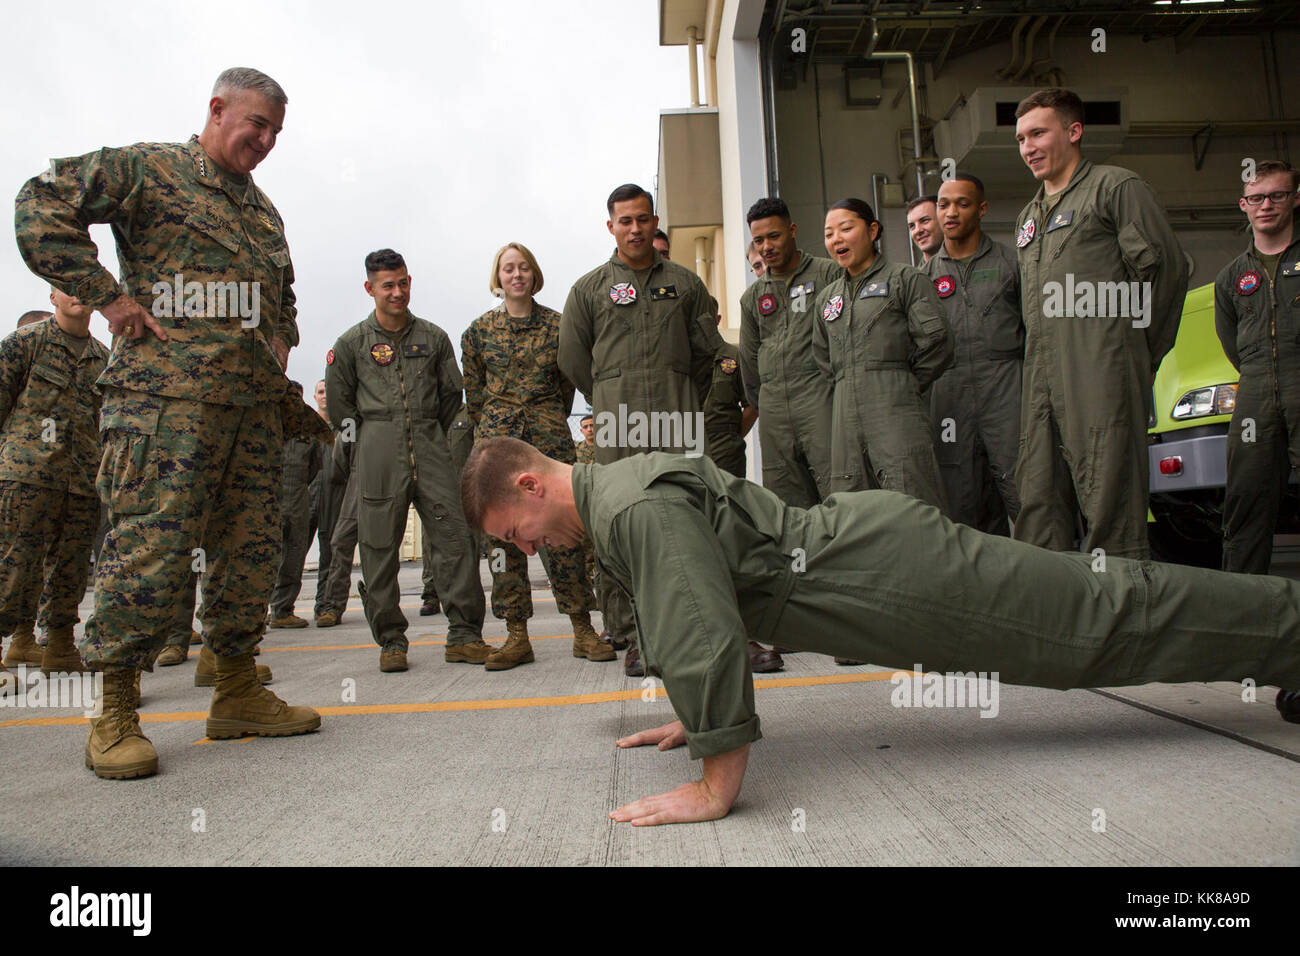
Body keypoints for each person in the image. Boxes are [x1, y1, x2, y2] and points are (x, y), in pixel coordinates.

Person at [462, 436, 1300, 826]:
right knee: (1093, 614)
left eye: (514, 534)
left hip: (884, 577)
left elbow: (701, 631)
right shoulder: (616, 496)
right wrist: (695, 714)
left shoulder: (628, 509)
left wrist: (716, 785)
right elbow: (698, 600)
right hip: (869, 563)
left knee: (1096, 620)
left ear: (530, 486)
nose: (527, 550)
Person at [14, 67, 325, 779]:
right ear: (217, 109)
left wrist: (282, 335)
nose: (267, 140)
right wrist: (107, 296)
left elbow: (283, 289)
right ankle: (115, 712)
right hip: (164, 405)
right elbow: (40, 202)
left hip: (251, 410)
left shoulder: (263, 210)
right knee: (148, 552)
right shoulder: (149, 170)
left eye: (277, 131)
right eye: (257, 124)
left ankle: (237, 689)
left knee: (250, 552)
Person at [1013, 87, 1187, 560]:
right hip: (1042, 376)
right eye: (1021, 139)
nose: (1028, 147)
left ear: (1073, 131)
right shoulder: (1029, 215)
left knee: (1111, 501)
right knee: (1038, 500)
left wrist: (1133, 351)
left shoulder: (1115, 188)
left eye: (1038, 133)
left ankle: (1123, 599)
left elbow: (1166, 271)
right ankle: (1046, 599)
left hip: (1102, 369)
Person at [557, 183, 723, 677]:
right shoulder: (589, 289)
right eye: (625, 221)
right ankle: (632, 636)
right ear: (610, 226)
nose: (635, 229)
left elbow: (706, 353)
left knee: (692, 513)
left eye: (643, 219)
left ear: (655, 222)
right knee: (619, 521)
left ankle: (699, 627)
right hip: (617, 421)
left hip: (678, 415)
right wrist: (611, 393)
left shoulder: (687, 285)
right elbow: (573, 358)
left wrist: (678, 389)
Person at [325, 248, 489, 672]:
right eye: (387, 286)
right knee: (378, 547)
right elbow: (342, 409)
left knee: (454, 540)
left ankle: (465, 635)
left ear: (410, 282)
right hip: (377, 447)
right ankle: (391, 641)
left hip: (431, 444)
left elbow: (451, 397)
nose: (397, 292)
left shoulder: (434, 338)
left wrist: (432, 435)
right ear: (369, 288)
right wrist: (367, 447)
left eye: (402, 283)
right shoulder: (350, 345)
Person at [461, 243, 608, 670]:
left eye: (523, 267)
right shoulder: (478, 332)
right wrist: (495, 425)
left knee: (566, 531)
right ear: (498, 277)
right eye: (508, 268)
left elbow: (567, 386)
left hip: (548, 440)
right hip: (497, 444)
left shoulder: (558, 327)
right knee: (502, 540)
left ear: (534, 274)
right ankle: (516, 635)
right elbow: (475, 395)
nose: (517, 275)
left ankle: (582, 628)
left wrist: (544, 417)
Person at [1214, 159, 1300, 722]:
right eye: (1256, 198)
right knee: (1245, 507)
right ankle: (1237, 628)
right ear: (1244, 206)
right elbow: (1230, 339)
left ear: (1294, 199)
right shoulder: (1232, 276)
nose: (1265, 205)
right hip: (1255, 394)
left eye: (1276, 195)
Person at [0, 290, 107, 695]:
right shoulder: (23, 344)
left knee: (71, 568)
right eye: (68, 285)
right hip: (27, 476)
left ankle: (60, 646)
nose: (78, 294)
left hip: (81, 480)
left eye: (85, 286)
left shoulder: (102, 358)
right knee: (14, 565)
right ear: (52, 294)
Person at [813, 198, 952, 507]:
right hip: (845, 417)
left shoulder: (905, 279)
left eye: (846, 229)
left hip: (896, 409)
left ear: (873, 230)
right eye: (829, 234)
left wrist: (901, 381)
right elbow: (823, 358)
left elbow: (938, 342)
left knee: (911, 496)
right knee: (851, 507)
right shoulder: (827, 299)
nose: (836, 239)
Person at [927, 174, 1023, 534]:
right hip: (951, 404)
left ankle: (1051, 569)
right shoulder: (923, 278)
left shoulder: (1012, 265)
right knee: (962, 504)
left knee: (1027, 494)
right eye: (943, 205)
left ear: (981, 209)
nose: (951, 213)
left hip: (1007, 396)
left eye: (962, 204)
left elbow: (1036, 335)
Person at [738, 197, 840, 509]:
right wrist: (765, 403)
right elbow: (749, 362)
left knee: (838, 490)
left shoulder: (830, 275)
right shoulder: (753, 297)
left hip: (821, 400)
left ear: (792, 230)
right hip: (774, 411)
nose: (766, 247)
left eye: (774, 236)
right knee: (786, 501)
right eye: (759, 240)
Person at [267, 390, 321, 629]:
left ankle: (282, 611)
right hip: (269, 503)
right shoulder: (265, 431)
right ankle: (255, 614)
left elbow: (314, 468)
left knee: (294, 558)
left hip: (298, 502)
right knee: (265, 561)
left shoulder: (308, 436)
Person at [421, 402, 475, 616]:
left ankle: (468, 594)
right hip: (433, 489)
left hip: (463, 491)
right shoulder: (427, 414)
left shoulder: (469, 414)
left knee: (468, 543)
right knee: (430, 544)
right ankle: (431, 595)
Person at [905, 195, 942, 264]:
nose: (917, 230)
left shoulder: (962, 265)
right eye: (912, 226)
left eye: (924, 220)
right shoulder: (913, 271)